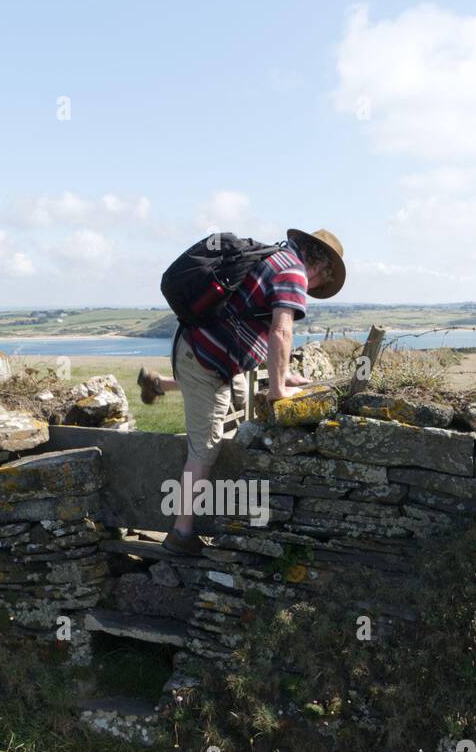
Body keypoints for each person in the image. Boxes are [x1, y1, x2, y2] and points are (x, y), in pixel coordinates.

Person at [138, 227, 346, 555]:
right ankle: (180, 533)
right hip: (203, 359)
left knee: (222, 400)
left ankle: (157, 383)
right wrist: (278, 390)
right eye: (322, 282)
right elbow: (280, 331)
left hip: (201, 353)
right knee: (205, 447)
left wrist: (285, 372)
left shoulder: (274, 256)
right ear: (320, 269)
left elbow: (252, 319)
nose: (315, 287)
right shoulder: (293, 272)